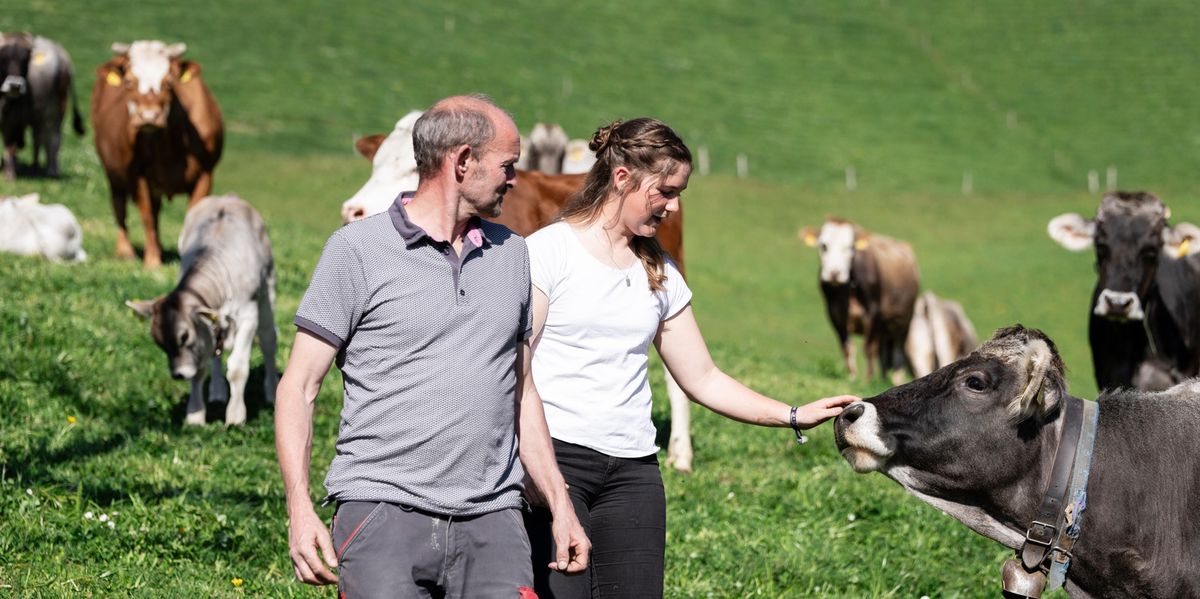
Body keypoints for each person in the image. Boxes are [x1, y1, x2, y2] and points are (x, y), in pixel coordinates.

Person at [520, 118, 858, 598]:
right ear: (622, 179)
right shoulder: (546, 253)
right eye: (665, 191)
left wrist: (794, 415)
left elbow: (703, 377)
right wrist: (537, 474)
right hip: (556, 462)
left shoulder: (659, 270)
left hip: (633, 474)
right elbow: (515, 375)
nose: (674, 206)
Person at [275, 94, 589, 598]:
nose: (516, 178)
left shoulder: (512, 255)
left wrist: (559, 503)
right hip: (381, 511)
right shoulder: (356, 250)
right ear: (463, 162)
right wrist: (299, 506)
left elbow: (522, 390)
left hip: (493, 520)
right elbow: (299, 386)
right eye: (507, 165)